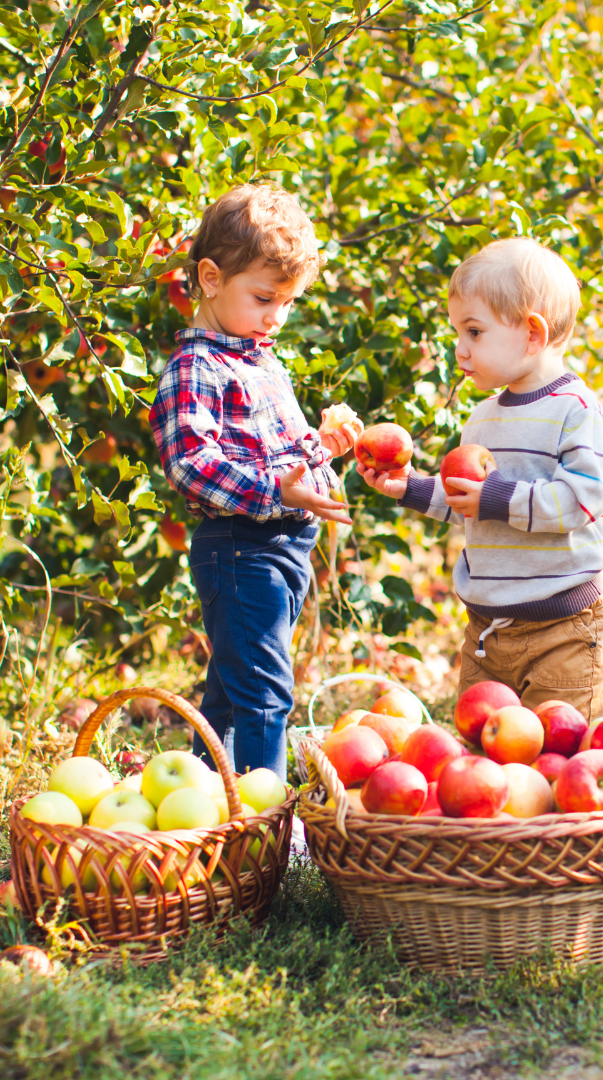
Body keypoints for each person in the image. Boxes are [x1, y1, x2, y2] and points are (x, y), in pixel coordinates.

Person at [358, 238, 603, 720]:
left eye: (474, 332)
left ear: (532, 334)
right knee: (480, 765)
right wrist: (411, 487)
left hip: (562, 630)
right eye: (458, 332)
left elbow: (586, 501)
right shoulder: (482, 417)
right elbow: (474, 509)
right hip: (486, 633)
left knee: (558, 764)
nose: (460, 349)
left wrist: (496, 498)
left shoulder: (576, 413)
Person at [150, 184, 361, 777]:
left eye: (288, 302)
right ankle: (264, 820)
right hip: (241, 551)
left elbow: (282, 460)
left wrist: (325, 447)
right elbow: (192, 464)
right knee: (266, 690)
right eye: (265, 297)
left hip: (284, 550)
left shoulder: (259, 357)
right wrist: (276, 492)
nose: (277, 316)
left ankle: (204, 796)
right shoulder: (197, 366)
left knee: (231, 685)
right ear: (211, 278)